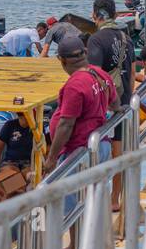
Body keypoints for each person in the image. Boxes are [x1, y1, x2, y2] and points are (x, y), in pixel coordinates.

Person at [43, 34, 117, 172]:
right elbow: (115, 104)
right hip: (101, 145)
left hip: (79, 154)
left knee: (67, 187)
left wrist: (51, 158)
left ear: (61, 60)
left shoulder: (75, 86)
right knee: (96, 186)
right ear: (86, 52)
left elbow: (66, 124)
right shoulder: (101, 74)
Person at [87, 0, 134, 210]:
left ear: (95, 15)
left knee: (96, 149)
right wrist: (129, 98)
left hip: (105, 104)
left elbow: (94, 75)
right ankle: (115, 199)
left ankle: (95, 199)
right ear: (115, 15)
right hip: (123, 101)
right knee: (118, 151)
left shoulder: (96, 40)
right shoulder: (126, 38)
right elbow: (131, 73)